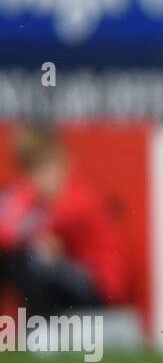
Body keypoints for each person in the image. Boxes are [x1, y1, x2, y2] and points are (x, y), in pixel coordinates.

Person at [0, 125, 126, 324]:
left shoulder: (79, 198)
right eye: (32, 168)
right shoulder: (39, 200)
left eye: (45, 166)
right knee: (21, 256)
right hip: (67, 279)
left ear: (63, 160)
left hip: (99, 287)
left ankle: (42, 330)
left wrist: (22, 196)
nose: (39, 176)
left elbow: (22, 230)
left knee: (29, 256)